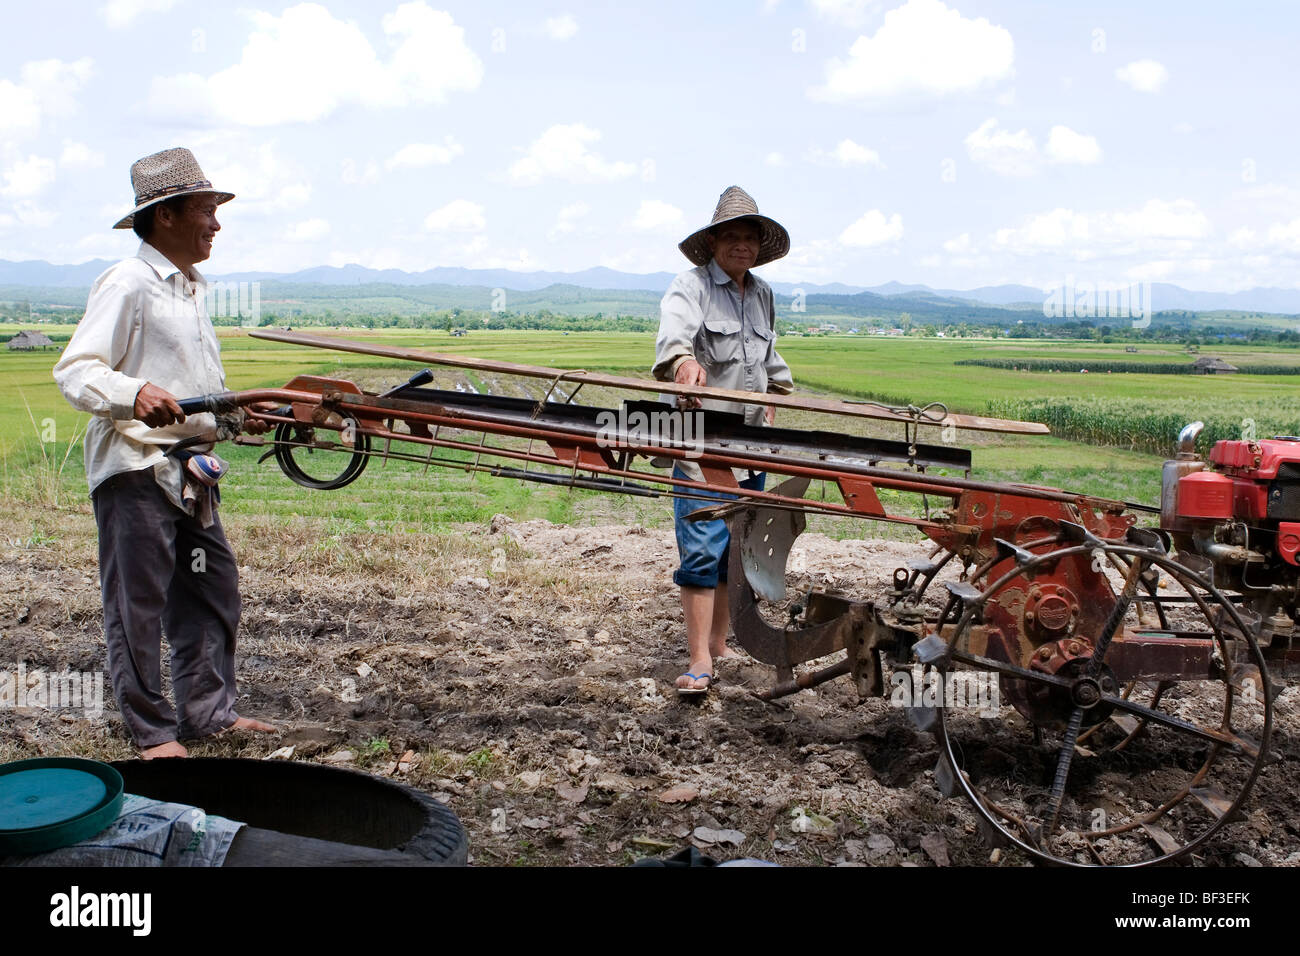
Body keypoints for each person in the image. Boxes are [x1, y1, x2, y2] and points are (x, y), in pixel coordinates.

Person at [53, 147, 276, 758]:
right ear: (168, 216)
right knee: (138, 601)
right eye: (207, 210)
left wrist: (232, 416)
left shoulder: (191, 290)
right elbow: (76, 371)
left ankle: (208, 715)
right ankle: (151, 731)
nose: (217, 223)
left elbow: (191, 383)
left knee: (211, 589)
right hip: (136, 470)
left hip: (190, 471)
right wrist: (134, 392)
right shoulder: (128, 284)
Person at [652, 186, 794, 695]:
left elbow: (770, 359)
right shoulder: (690, 287)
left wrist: (778, 391)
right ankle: (698, 663)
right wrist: (683, 362)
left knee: (735, 544)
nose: (741, 245)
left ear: (760, 246)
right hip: (702, 438)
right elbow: (674, 339)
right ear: (712, 242)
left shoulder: (762, 294)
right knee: (702, 547)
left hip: (750, 440)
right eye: (731, 236)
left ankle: (718, 643)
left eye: (749, 238)